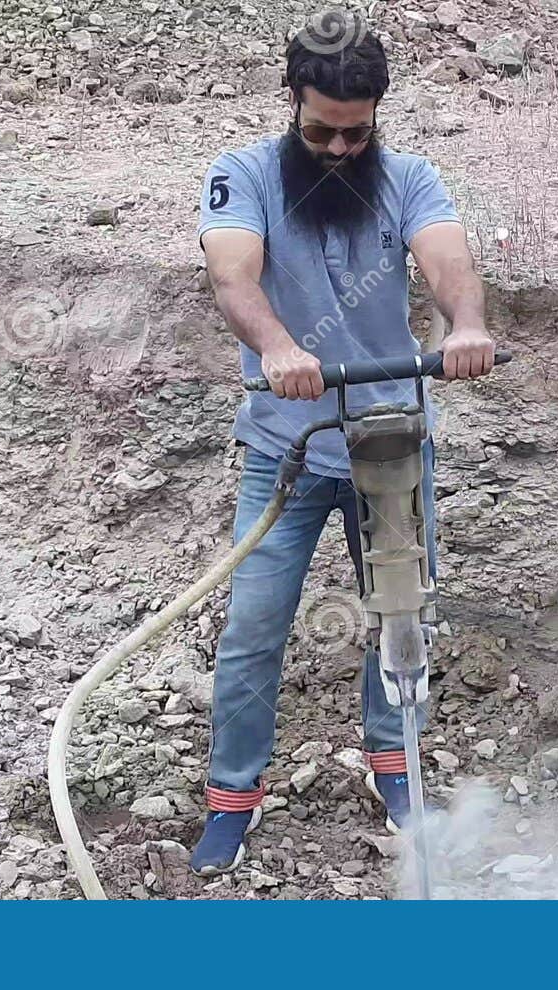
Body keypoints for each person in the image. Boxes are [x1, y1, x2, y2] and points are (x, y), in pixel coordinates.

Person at [190, 13, 496, 875]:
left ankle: (394, 763)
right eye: (319, 128)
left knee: (401, 615)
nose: (334, 148)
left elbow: (445, 258)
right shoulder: (242, 175)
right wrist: (281, 347)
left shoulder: (409, 179)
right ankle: (233, 795)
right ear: (293, 102)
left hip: (391, 437)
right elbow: (231, 272)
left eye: (353, 133)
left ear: (378, 118)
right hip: (284, 446)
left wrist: (465, 323)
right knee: (254, 625)